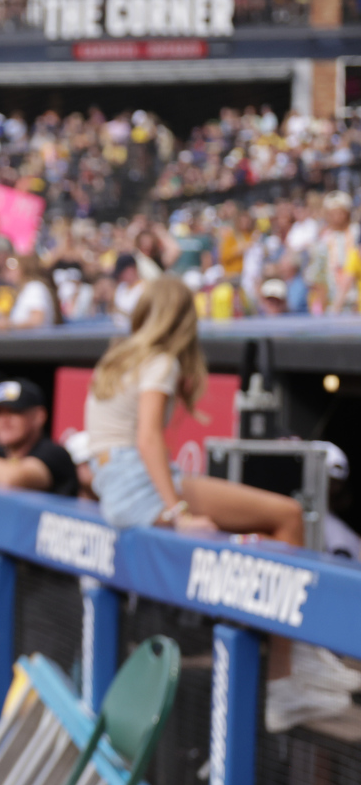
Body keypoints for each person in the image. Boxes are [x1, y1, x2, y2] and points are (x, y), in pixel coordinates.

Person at [81, 275, 354, 731]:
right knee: (288, 515)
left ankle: (295, 659)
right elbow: (148, 437)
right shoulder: (160, 360)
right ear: (183, 318)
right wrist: (176, 513)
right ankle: (286, 677)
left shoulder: (117, 357)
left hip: (118, 487)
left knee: (268, 530)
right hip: (141, 484)